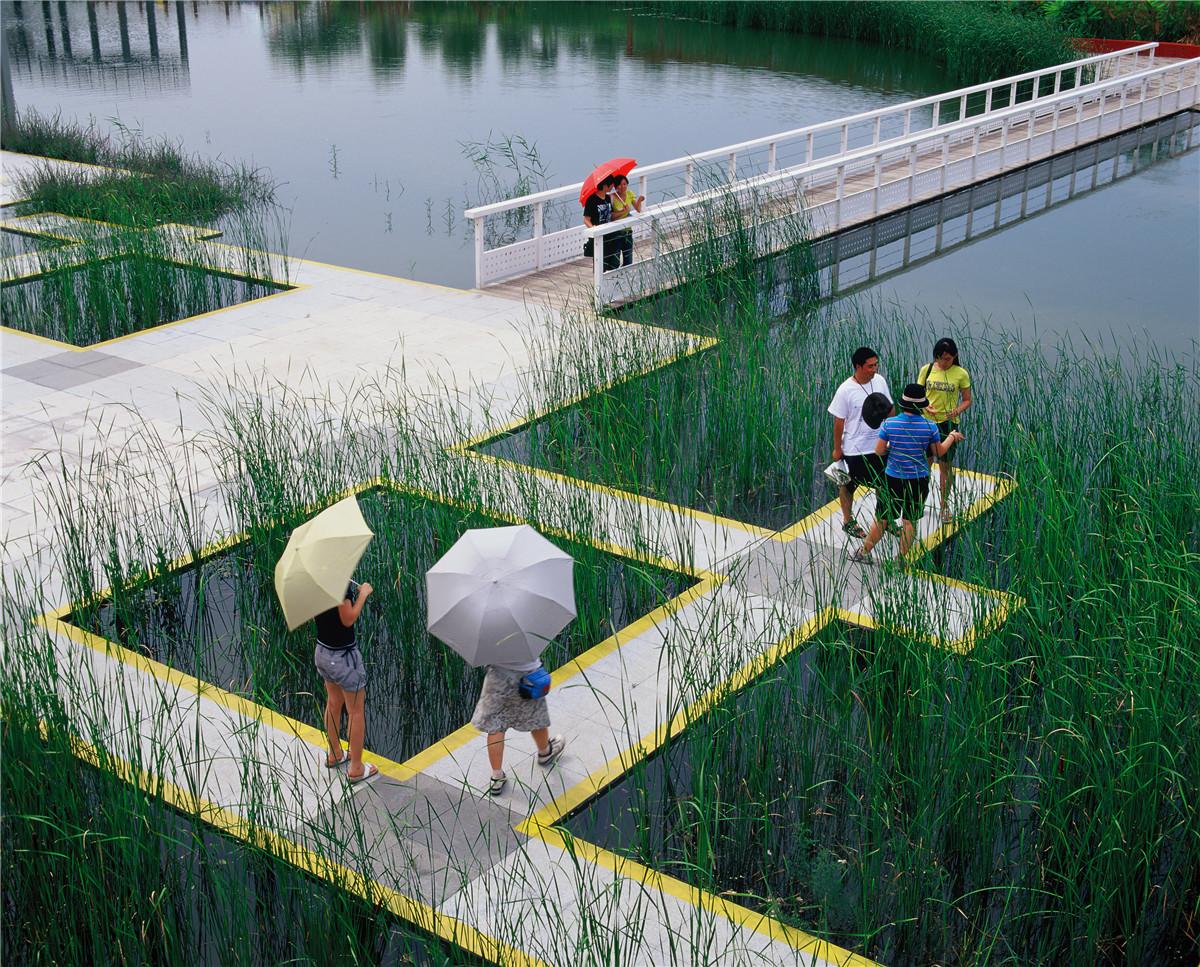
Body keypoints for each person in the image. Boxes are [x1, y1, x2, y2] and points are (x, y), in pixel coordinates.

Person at [851, 384, 963, 564]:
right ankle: (900, 561)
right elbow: (938, 452)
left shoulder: (890, 424)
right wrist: (951, 436)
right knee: (910, 521)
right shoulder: (930, 426)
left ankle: (863, 552)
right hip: (918, 481)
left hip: (892, 478)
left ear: (902, 404)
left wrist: (892, 447)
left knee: (883, 519)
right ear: (922, 406)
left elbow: (879, 451)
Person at [471, 658, 566, 797]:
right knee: (536, 718)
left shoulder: (490, 636)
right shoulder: (527, 635)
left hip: (497, 677)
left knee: (496, 727)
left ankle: (497, 776)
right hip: (527, 676)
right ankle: (545, 752)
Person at [313, 579, 377, 782]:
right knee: (355, 711)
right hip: (344, 658)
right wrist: (363, 595)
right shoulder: (339, 582)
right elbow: (347, 618)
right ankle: (356, 768)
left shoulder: (314, 578)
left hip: (322, 652)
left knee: (333, 703)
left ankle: (335, 754)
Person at [827, 346, 892, 538]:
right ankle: (848, 521)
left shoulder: (879, 381)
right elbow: (839, 422)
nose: (875, 369)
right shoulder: (845, 390)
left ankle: (884, 521)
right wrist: (837, 449)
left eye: (876, 365)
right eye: (870, 366)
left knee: (885, 484)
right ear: (858, 366)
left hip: (879, 446)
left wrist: (892, 435)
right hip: (854, 449)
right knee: (848, 485)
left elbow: (890, 408)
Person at [917, 337, 972, 522]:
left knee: (945, 466)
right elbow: (918, 395)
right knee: (925, 464)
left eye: (948, 358)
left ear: (954, 356)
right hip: (926, 423)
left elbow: (967, 400)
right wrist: (925, 407)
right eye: (940, 358)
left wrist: (956, 410)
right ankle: (919, 502)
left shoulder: (961, 373)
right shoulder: (927, 369)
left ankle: (944, 505)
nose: (943, 362)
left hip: (948, 424)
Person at [582, 175, 620, 272]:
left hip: (610, 235)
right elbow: (586, 219)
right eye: (611, 185)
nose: (612, 187)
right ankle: (599, 286)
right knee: (600, 265)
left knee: (614, 263)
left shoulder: (607, 198)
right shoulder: (591, 200)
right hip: (599, 237)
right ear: (604, 185)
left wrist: (623, 211)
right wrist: (593, 228)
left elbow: (611, 215)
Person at [610, 174, 644, 267]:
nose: (623, 187)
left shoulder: (629, 194)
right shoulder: (612, 197)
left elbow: (638, 209)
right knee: (615, 261)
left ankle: (625, 279)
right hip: (616, 233)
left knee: (628, 260)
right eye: (620, 185)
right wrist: (623, 211)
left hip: (627, 231)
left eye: (625, 184)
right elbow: (611, 217)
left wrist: (640, 200)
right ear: (616, 186)